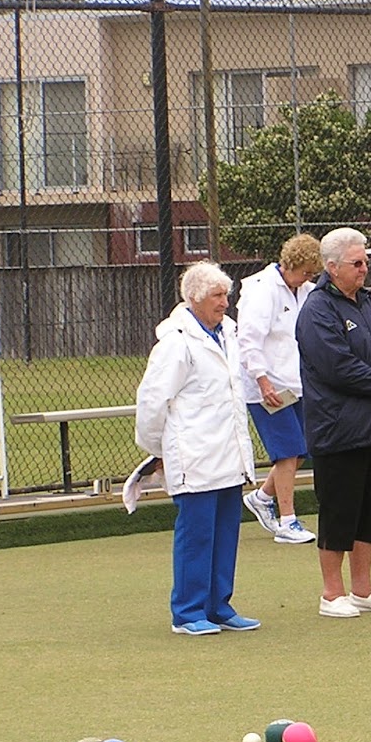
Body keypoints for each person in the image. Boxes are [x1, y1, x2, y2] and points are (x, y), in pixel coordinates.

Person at [134, 261, 260, 636]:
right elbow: (153, 401)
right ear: (194, 299)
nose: (225, 302)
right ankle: (188, 612)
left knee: (225, 532)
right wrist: (159, 449)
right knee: (197, 534)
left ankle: (219, 606)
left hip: (229, 453)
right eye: (217, 296)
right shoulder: (176, 342)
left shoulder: (230, 334)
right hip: (194, 455)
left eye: (226, 295)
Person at [296, 227, 371, 618]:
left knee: (369, 507)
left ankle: (362, 590)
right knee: (338, 509)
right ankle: (332, 594)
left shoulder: (369, 305)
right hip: (337, 427)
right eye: (357, 263)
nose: (365, 269)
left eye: (366, 262)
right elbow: (337, 367)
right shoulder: (317, 311)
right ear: (332, 267)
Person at [238, 232, 321, 544]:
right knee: (287, 453)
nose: (309, 278)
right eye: (306, 272)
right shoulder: (262, 291)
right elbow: (248, 340)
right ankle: (287, 521)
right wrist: (262, 380)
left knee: (301, 450)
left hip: (295, 384)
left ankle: (260, 499)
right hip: (266, 386)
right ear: (291, 264)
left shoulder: (305, 290)